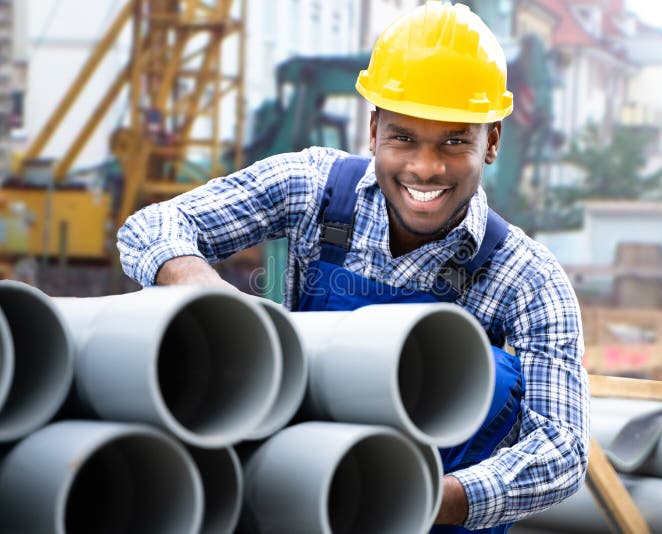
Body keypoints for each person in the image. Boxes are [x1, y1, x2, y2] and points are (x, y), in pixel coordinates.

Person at [117, 1, 589, 532]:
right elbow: (151, 227)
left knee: (494, 377)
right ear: (373, 132)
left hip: (429, 514)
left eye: (454, 141)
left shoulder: (527, 278)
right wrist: (203, 289)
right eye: (403, 137)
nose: (425, 167)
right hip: (302, 482)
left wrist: (421, 498)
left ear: (492, 141)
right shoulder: (316, 189)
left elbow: (563, 449)